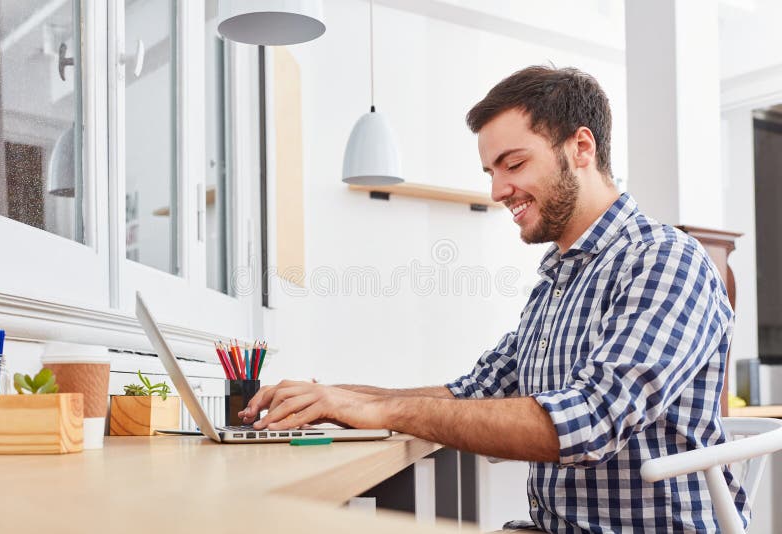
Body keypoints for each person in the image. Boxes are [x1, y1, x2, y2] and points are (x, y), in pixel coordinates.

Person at [239, 65, 748, 533]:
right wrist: (338, 400)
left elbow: (588, 422)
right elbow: (471, 392)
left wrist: (385, 412)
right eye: (491, 173)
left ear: (581, 148)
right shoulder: (559, 278)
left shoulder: (664, 260)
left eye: (514, 164)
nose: (499, 190)